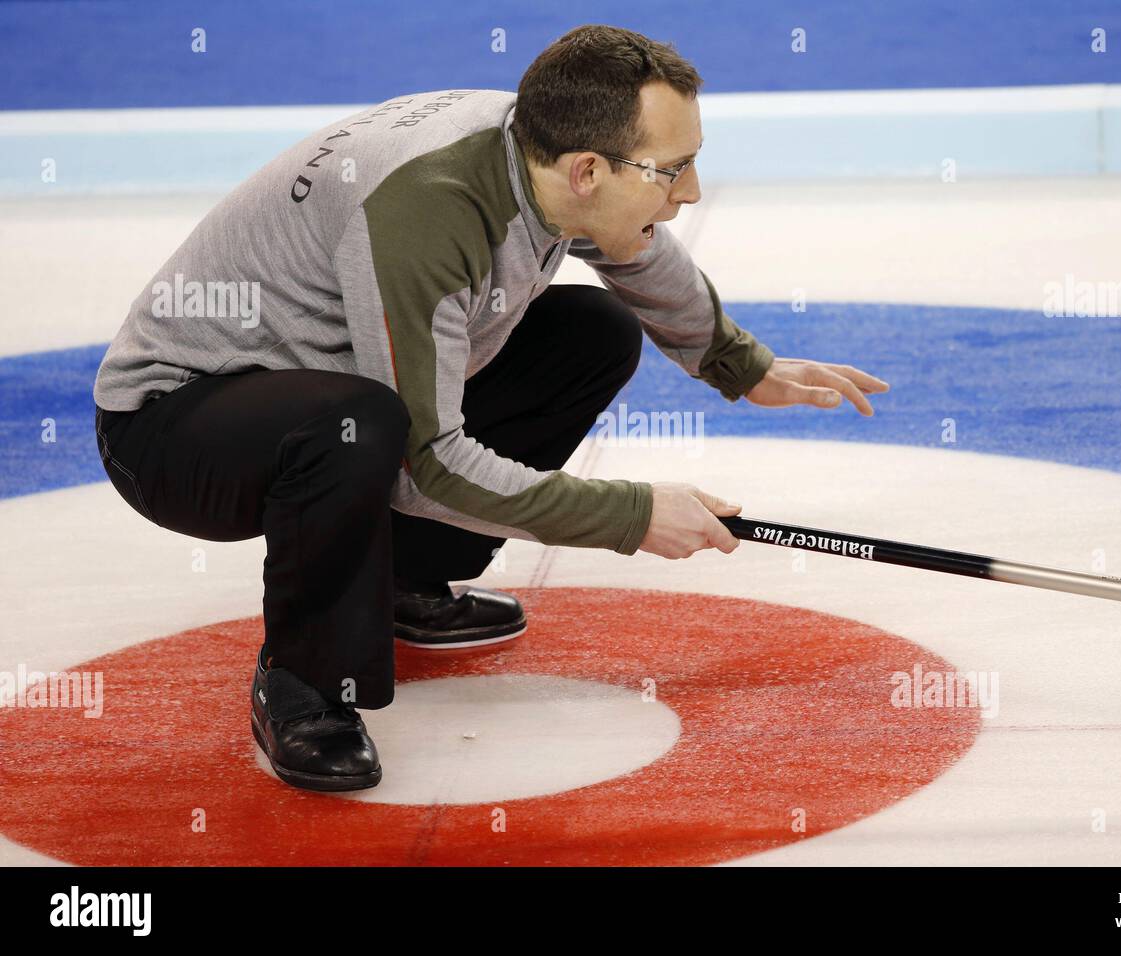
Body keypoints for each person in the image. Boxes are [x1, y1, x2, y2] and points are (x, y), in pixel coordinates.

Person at [91, 24, 888, 792]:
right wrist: (633, 516)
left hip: (314, 388)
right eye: (670, 170)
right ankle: (303, 684)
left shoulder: (537, 153)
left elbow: (634, 242)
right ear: (587, 170)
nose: (691, 192)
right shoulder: (426, 215)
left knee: (593, 331)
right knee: (361, 423)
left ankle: (408, 577)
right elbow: (427, 466)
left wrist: (742, 366)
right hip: (175, 424)